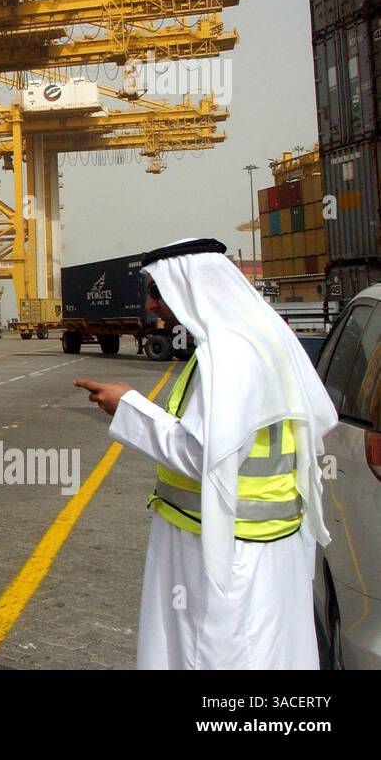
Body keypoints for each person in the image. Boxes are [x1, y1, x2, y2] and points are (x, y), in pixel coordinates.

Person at [73, 238, 337, 669]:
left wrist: (128, 407)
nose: (151, 303)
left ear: (188, 287)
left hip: (224, 547)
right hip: (266, 544)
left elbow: (204, 454)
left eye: (156, 291)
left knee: (214, 653)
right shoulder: (262, 338)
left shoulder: (229, 355)